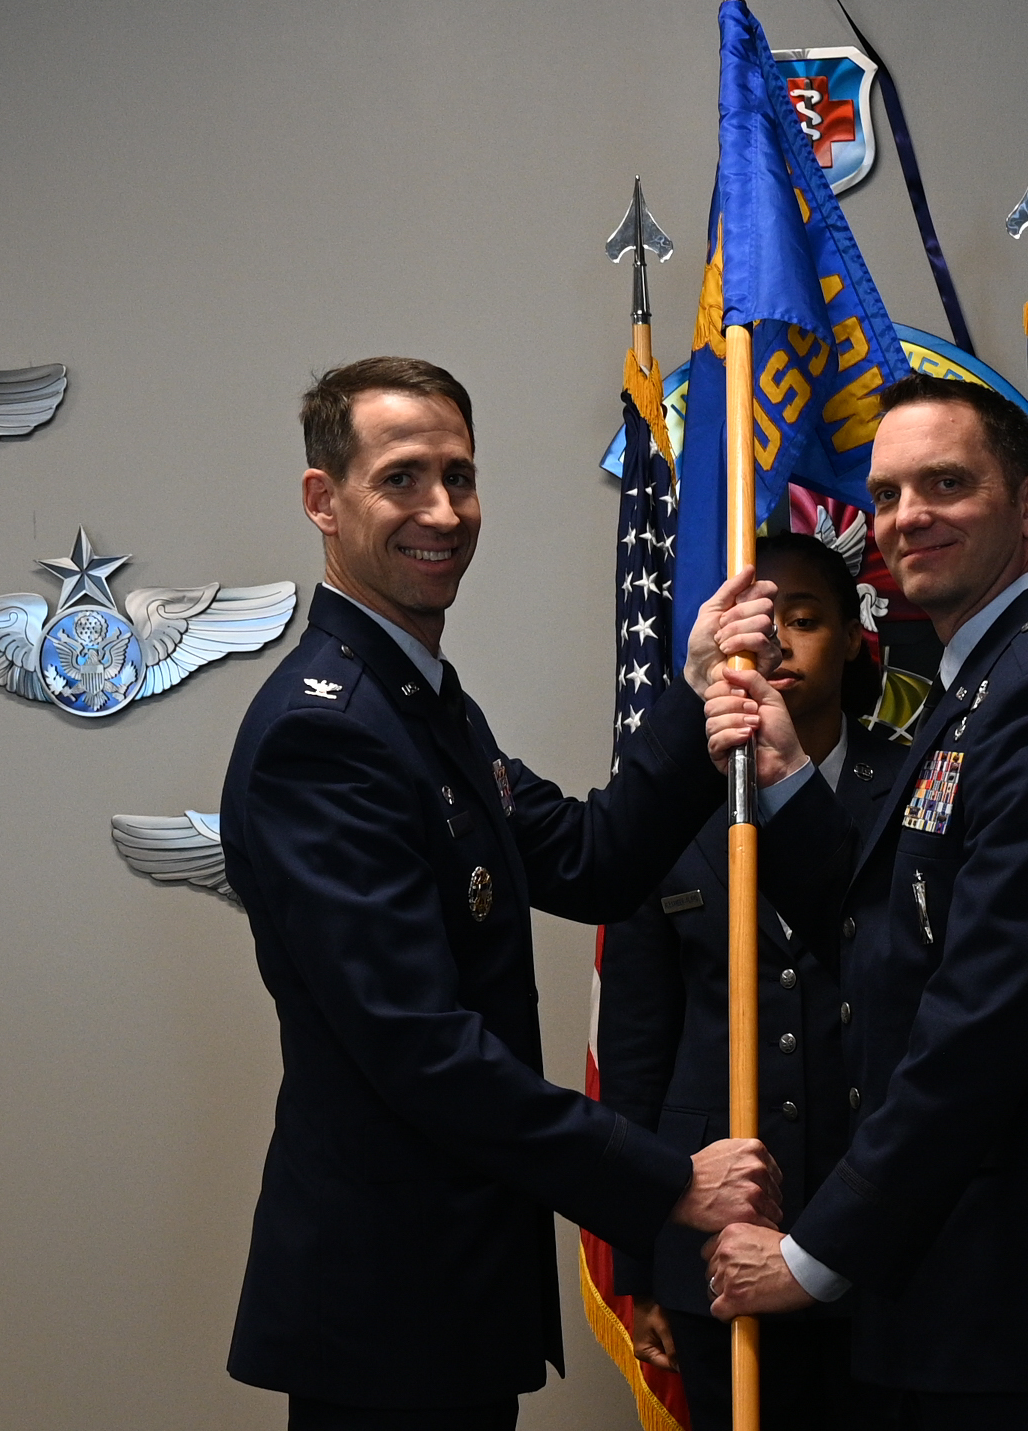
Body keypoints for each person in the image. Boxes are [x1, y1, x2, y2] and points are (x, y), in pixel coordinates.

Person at [220, 357, 785, 1431]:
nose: (442, 511)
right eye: (401, 479)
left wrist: (696, 685)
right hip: (385, 1310)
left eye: (460, 476)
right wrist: (668, 1182)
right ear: (321, 502)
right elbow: (422, 1048)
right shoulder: (324, 734)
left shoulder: (421, 707)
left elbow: (588, 858)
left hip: (446, 1294)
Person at [701, 374, 1028, 1429]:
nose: (906, 516)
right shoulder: (978, 688)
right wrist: (792, 775)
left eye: (946, 483)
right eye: (886, 495)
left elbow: (983, 1017)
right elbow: (886, 930)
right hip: (961, 1298)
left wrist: (814, 1253)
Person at [598, 532, 909, 1431]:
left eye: (804, 621)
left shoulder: (911, 782)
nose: (775, 648)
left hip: (870, 1229)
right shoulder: (664, 798)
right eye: (760, 626)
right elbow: (635, 1045)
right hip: (708, 1244)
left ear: (855, 636)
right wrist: (639, 1262)